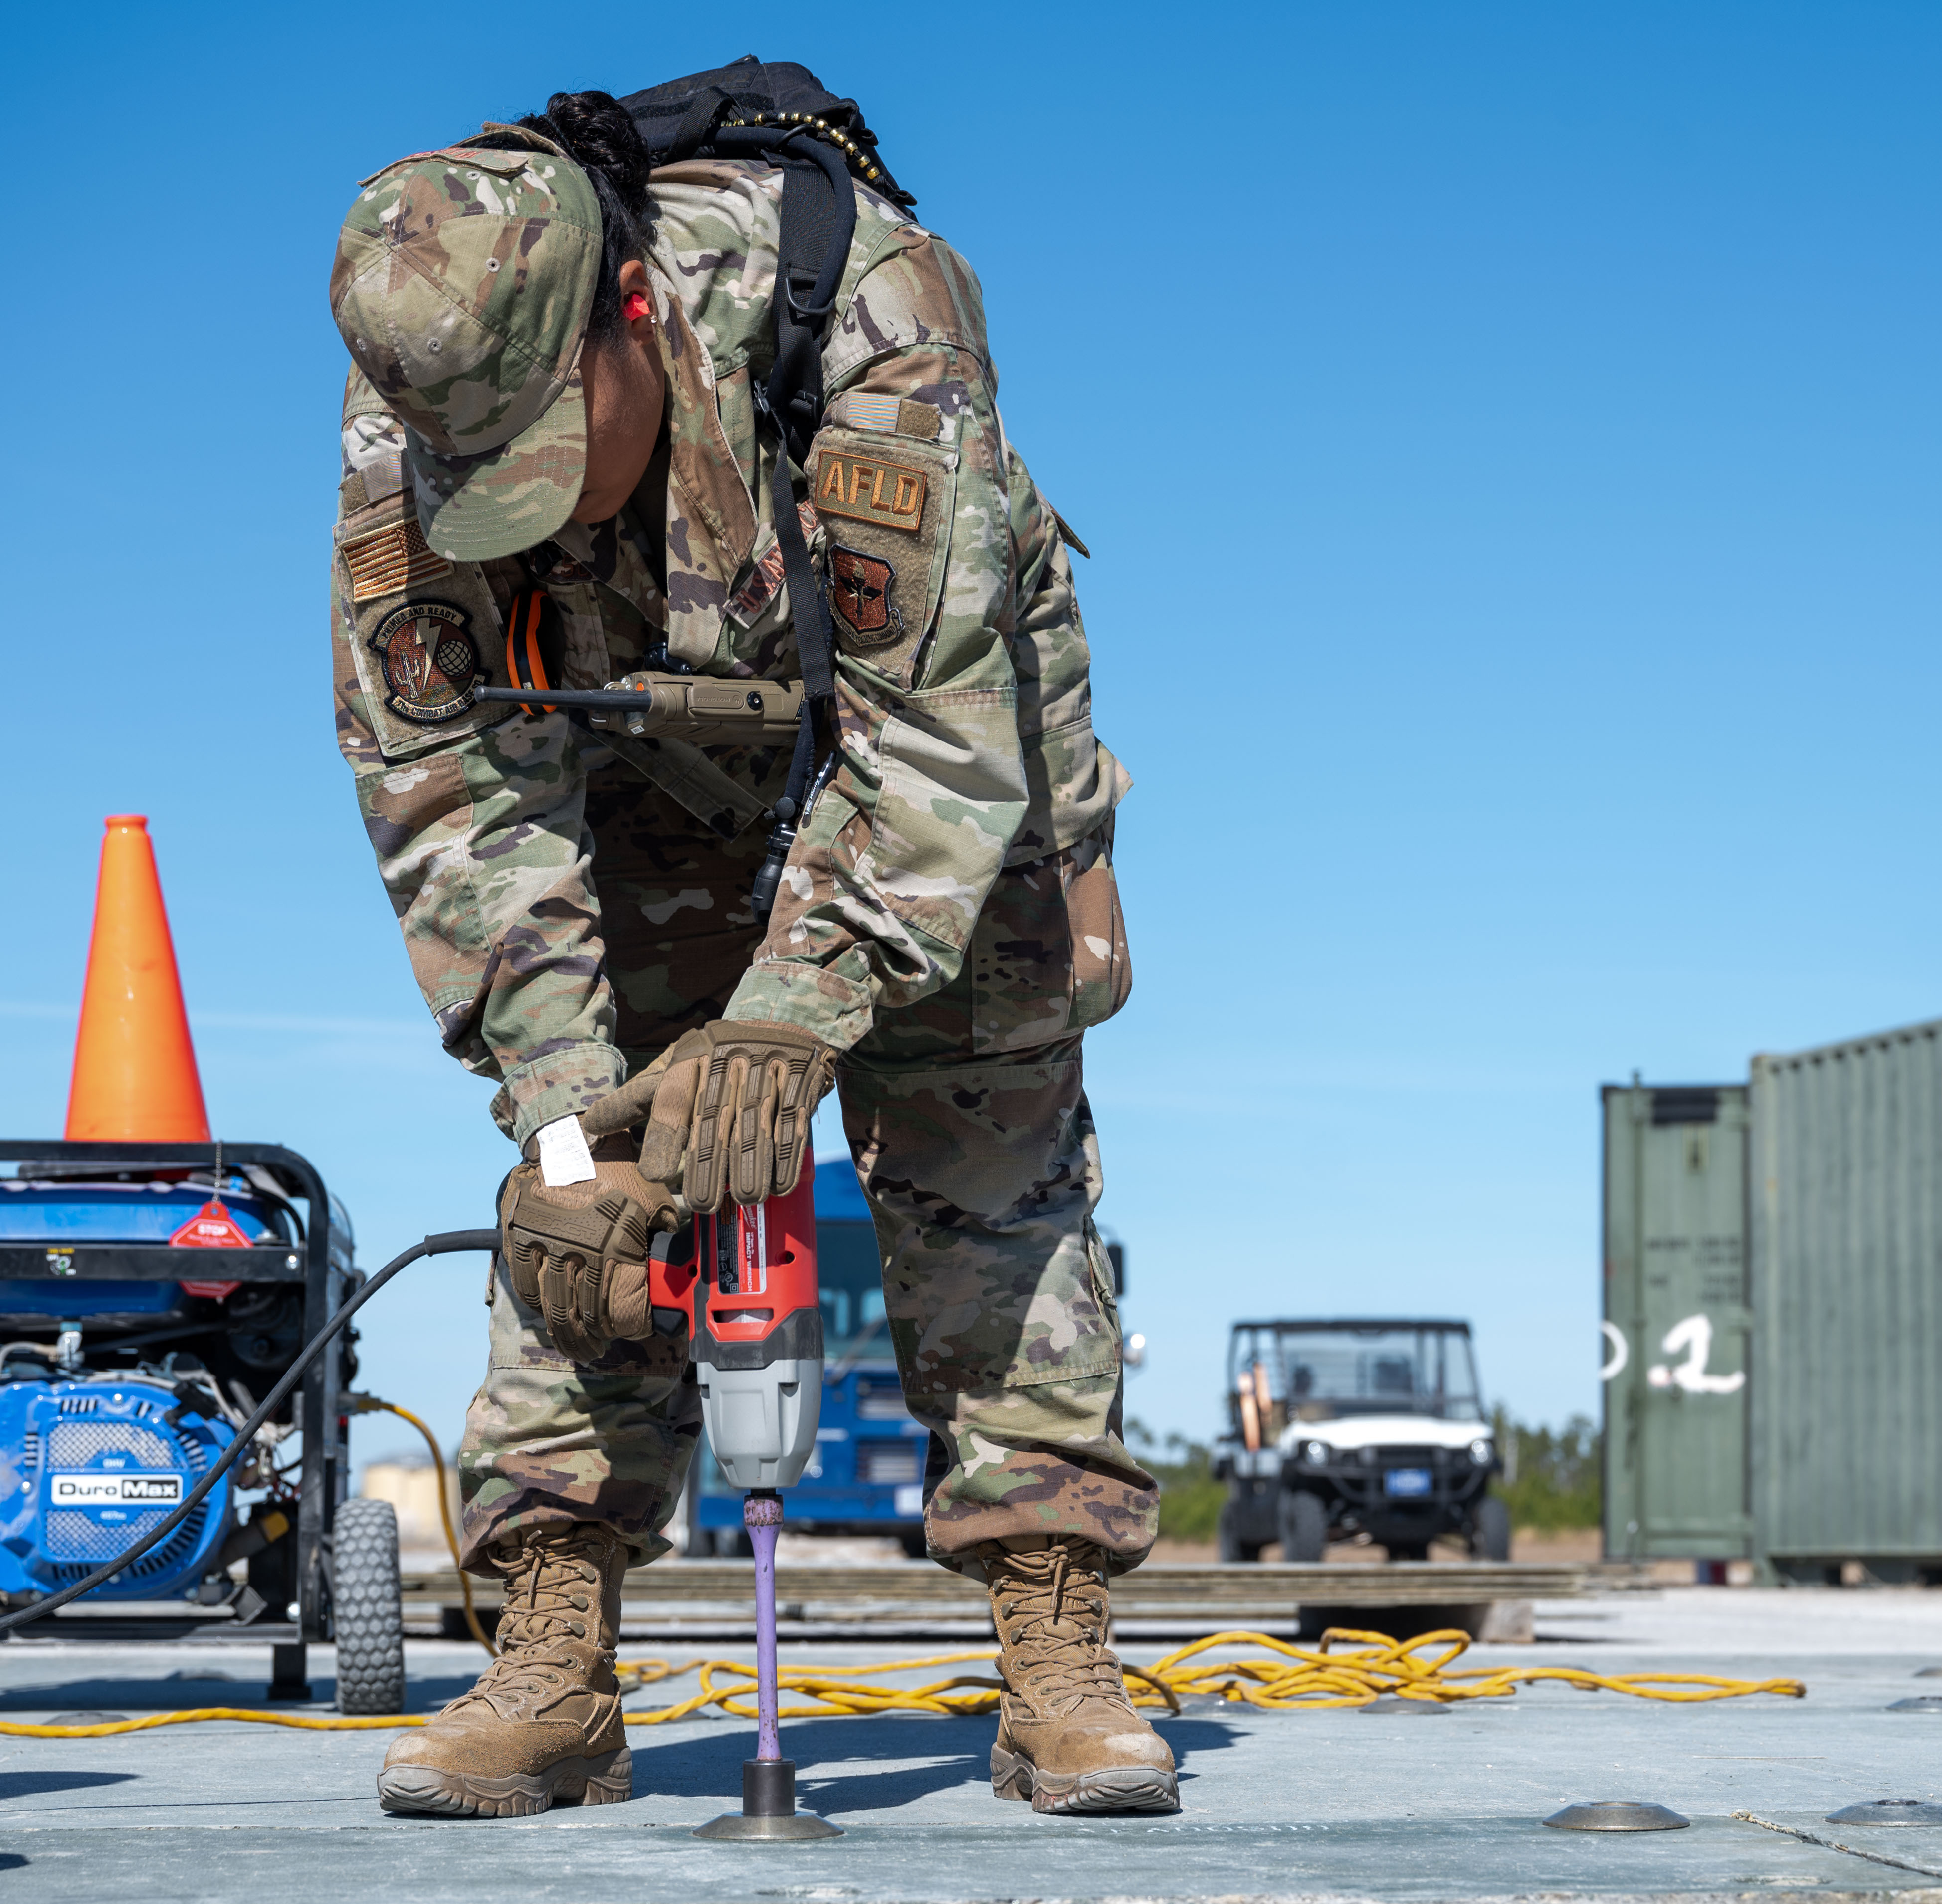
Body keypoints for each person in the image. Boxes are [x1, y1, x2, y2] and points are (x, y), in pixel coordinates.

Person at [325, 60, 1166, 1819]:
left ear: (632, 311)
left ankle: (1057, 1640)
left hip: (935, 749)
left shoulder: (870, 309)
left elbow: (934, 739)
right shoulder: (416, 392)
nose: (530, 510)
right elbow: (450, 784)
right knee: (592, 1171)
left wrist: (791, 1019)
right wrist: (560, 1110)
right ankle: (552, 1649)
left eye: (558, 455)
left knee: (989, 1142)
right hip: (643, 759)